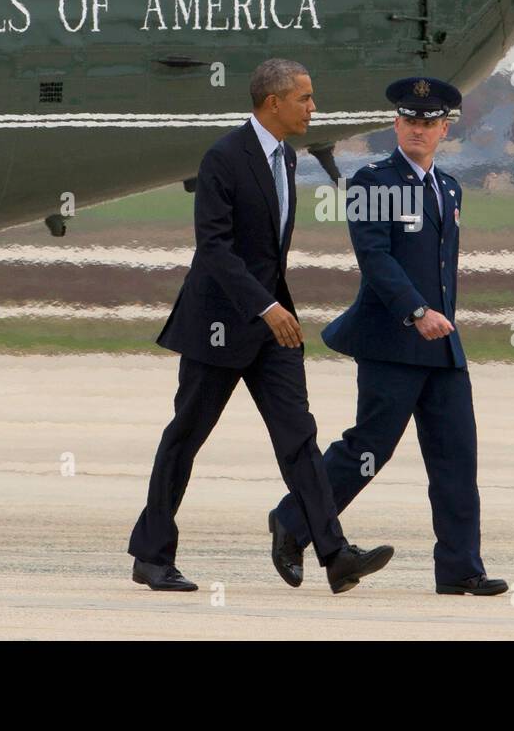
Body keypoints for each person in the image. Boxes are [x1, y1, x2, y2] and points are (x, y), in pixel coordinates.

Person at [127, 58, 394, 594]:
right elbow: (215, 249)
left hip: (273, 329)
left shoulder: (287, 160)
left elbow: (268, 252)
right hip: (219, 325)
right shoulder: (223, 158)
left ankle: (335, 554)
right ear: (274, 102)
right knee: (185, 439)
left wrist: (275, 311)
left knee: (299, 438)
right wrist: (263, 307)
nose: (313, 108)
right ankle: (152, 556)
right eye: (305, 98)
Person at [268, 76, 507, 596]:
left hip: (442, 347)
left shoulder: (449, 188)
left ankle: (461, 569)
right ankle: (292, 518)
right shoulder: (371, 183)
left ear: (444, 128)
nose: (418, 129)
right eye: (409, 120)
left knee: (456, 456)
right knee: (368, 449)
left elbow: (442, 269)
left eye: (428, 122)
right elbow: (374, 259)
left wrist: (438, 321)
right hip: (392, 342)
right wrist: (416, 311)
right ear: (396, 124)